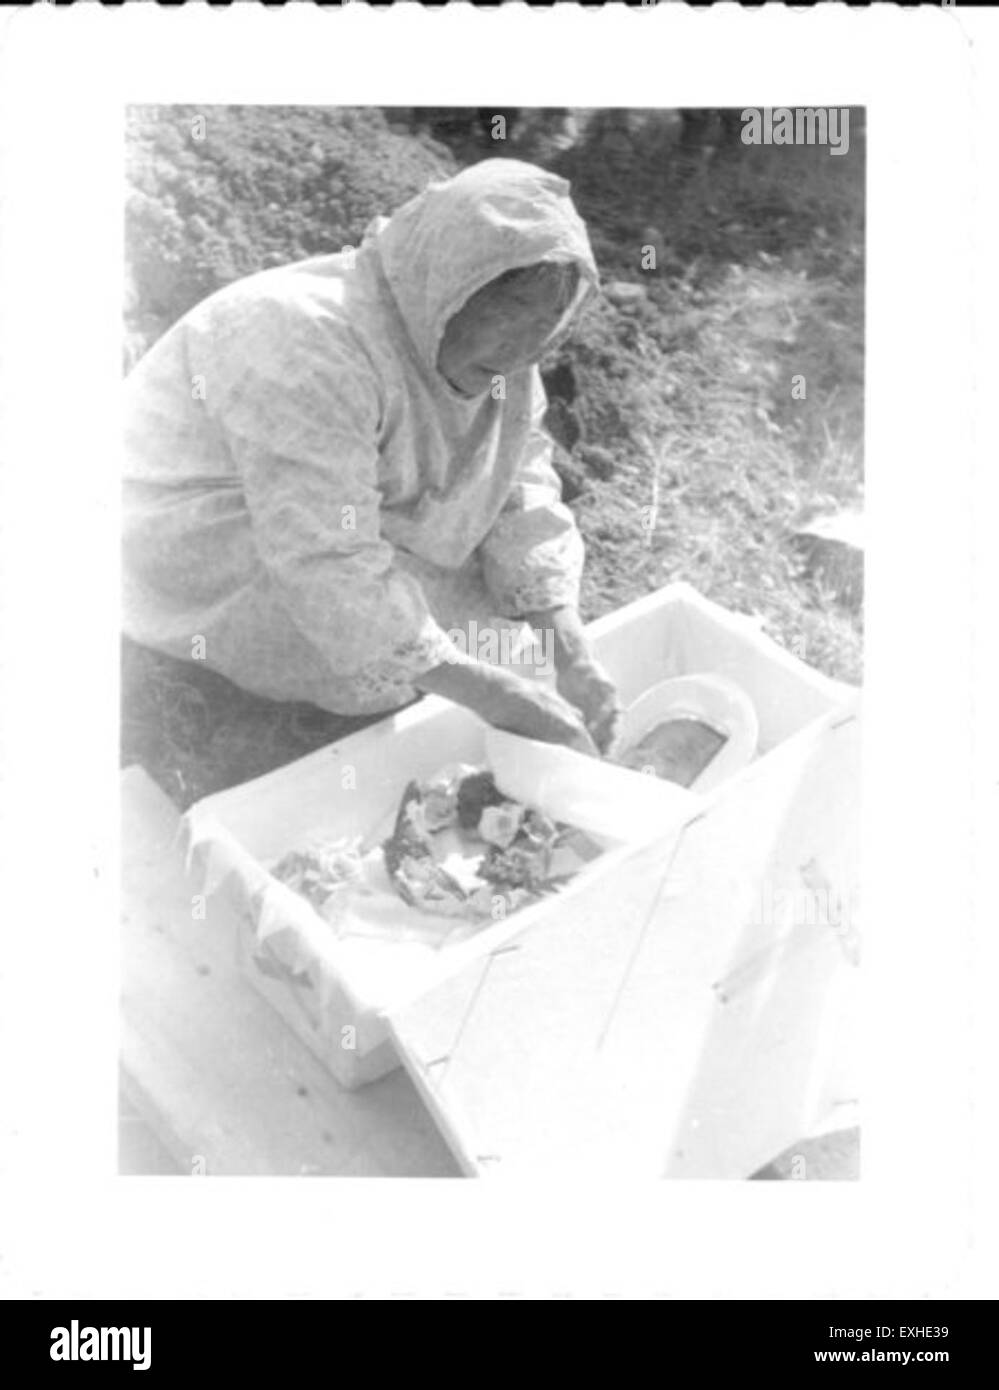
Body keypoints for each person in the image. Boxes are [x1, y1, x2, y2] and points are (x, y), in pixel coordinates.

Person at [123, 158, 621, 756]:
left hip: (333, 511)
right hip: (184, 528)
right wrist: (495, 694)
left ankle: (427, 669)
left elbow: (519, 484)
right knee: (341, 642)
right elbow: (322, 558)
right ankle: (277, 723)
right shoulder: (309, 343)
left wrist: (570, 649)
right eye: (501, 348)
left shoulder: (499, 352)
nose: (516, 366)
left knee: (506, 638)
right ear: (445, 290)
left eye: (537, 343)